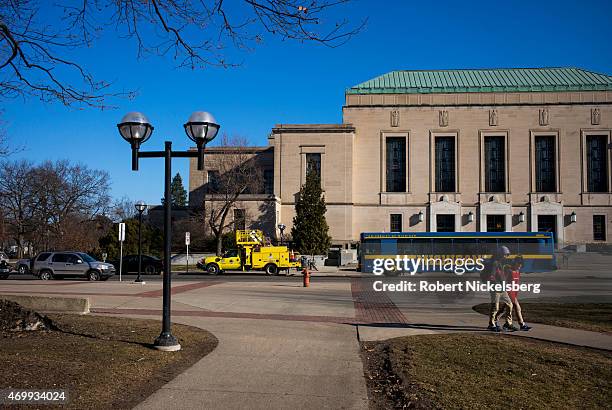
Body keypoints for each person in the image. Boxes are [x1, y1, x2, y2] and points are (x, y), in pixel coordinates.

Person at [486, 246, 517, 332]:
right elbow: (491, 277)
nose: (506, 257)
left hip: (502, 289)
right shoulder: (494, 263)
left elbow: (501, 276)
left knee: (509, 304)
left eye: (507, 255)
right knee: (495, 307)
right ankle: (491, 324)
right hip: (496, 289)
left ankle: (508, 323)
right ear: (501, 254)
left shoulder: (501, 263)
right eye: (505, 255)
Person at [498, 256, 532, 331]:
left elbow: (516, 283)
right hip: (508, 292)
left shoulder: (518, 271)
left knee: (504, 309)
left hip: (514, 292)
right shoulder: (509, 271)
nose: (520, 266)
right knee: (517, 307)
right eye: (518, 264)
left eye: (521, 265)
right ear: (515, 263)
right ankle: (521, 324)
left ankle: (494, 321)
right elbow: (504, 280)